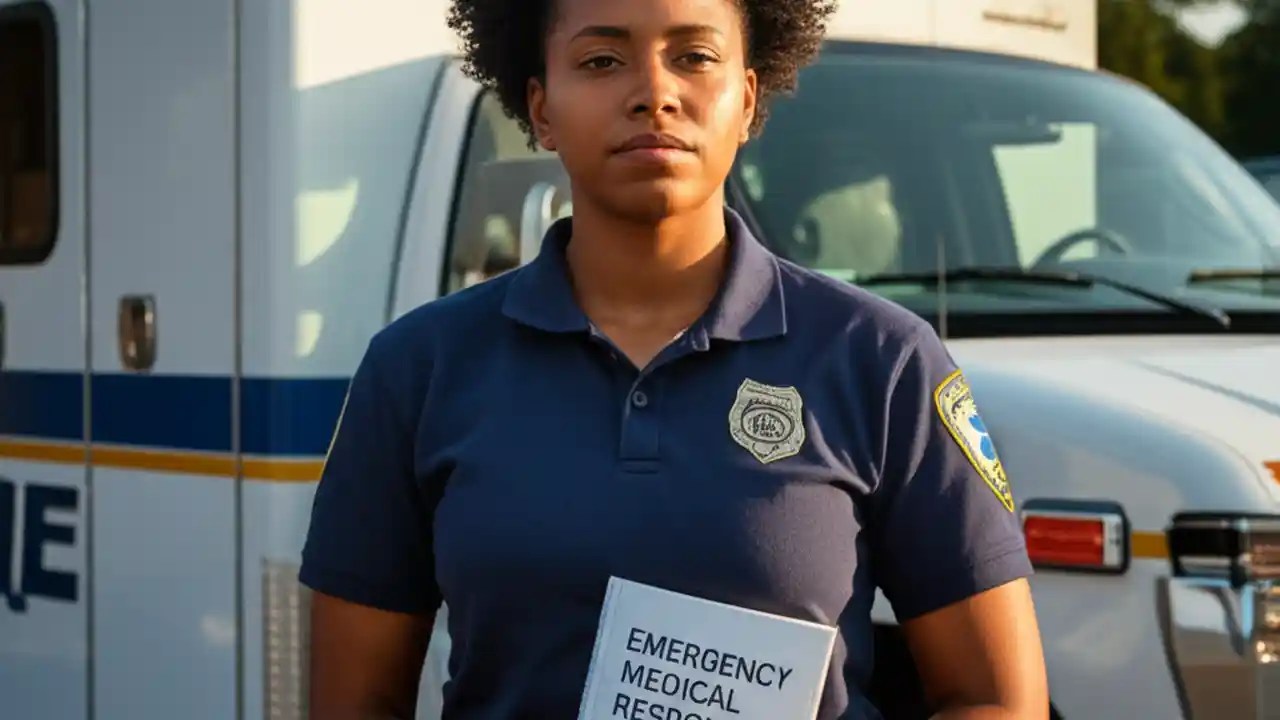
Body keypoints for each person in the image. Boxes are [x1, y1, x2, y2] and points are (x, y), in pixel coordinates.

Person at [298, 0, 1049, 717]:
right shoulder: (418, 369)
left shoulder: (881, 360)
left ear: (749, 99)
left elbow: (997, 698)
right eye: (600, 60)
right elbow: (352, 703)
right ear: (540, 109)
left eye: (694, 56)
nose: (654, 93)